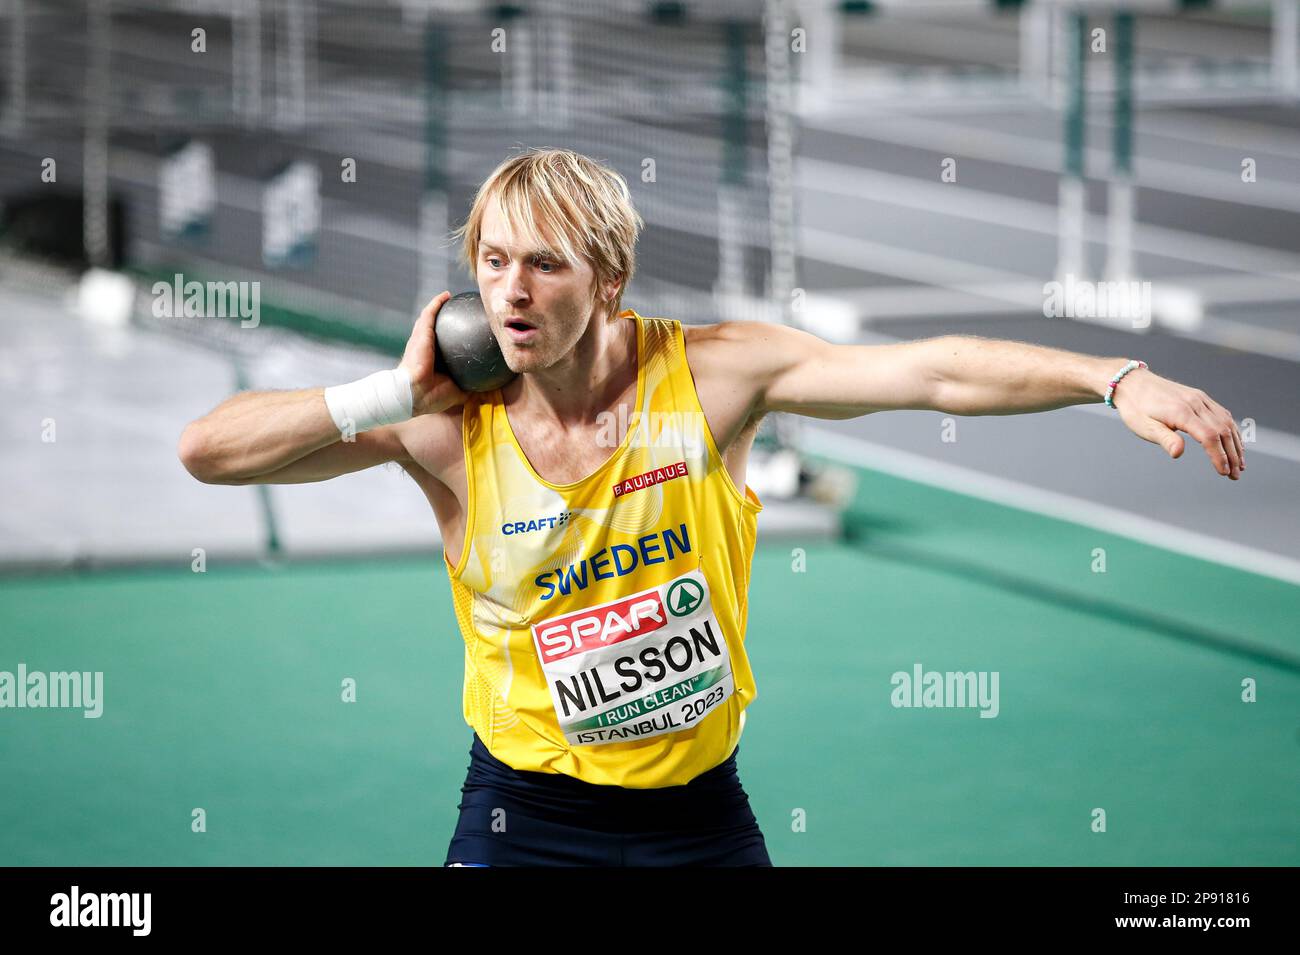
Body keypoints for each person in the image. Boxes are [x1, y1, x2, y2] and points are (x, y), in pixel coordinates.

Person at [177, 148, 1245, 867]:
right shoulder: (446, 423)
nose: (509, 290)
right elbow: (207, 452)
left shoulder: (716, 377)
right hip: (524, 815)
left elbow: (932, 373)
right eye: (492, 261)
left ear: (609, 281)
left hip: (700, 819)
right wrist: (386, 395)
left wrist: (1112, 376)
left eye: (543, 263)